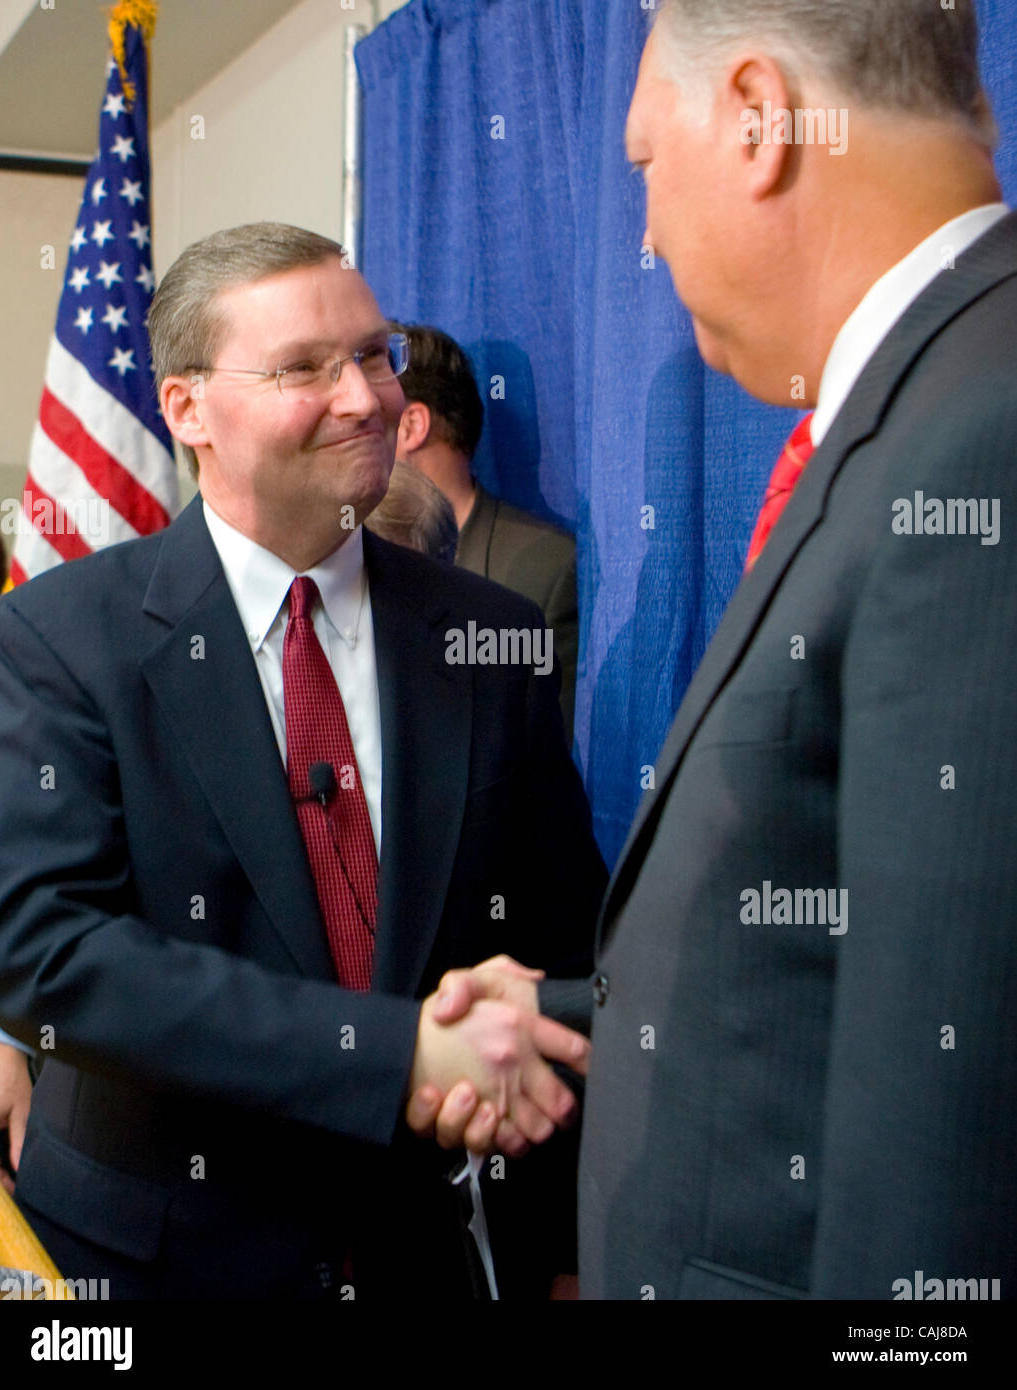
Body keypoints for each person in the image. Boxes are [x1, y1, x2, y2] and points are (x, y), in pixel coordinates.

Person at [415, 0, 1017, 1301]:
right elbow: (841, 965)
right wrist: (574, 1015)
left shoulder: (985, 432)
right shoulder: (915, 405)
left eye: (644, 163)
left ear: (757, 120)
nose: (642, 228)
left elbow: (951, 1139)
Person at [0, 222, 607, 1300]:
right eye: (305, 367)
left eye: (374, 353)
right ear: (186, 410)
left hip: (422, 1257)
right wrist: (393, 1053)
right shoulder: (57, 638)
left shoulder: (490, 636)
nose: (368, 399)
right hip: (152, 1270)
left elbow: (565, 934)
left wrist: (558, 1235)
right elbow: (51, 960)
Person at [393, 323, 579, 742]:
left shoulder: (543, 570)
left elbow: (547, 760)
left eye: (371, 417)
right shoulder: (346, 558)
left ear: (411, 427)